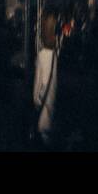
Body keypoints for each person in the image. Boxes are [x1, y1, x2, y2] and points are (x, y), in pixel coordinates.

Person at [32, 12, 60, 148]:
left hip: (42, 113)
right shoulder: (55, 54)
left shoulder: (42, 55)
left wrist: (37, 101)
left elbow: (40, 84)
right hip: (51, 107)